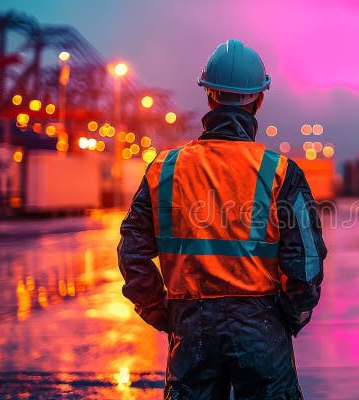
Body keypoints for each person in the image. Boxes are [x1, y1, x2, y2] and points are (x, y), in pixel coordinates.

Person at [117, 39, 326, 400]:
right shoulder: (280, 171)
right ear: (259, 99)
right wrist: (287, 318)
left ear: (208, 96)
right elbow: (305, 262)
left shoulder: (164, 169)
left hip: (190, 323)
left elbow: (132, 252)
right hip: (261, 324)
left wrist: (160, 310)